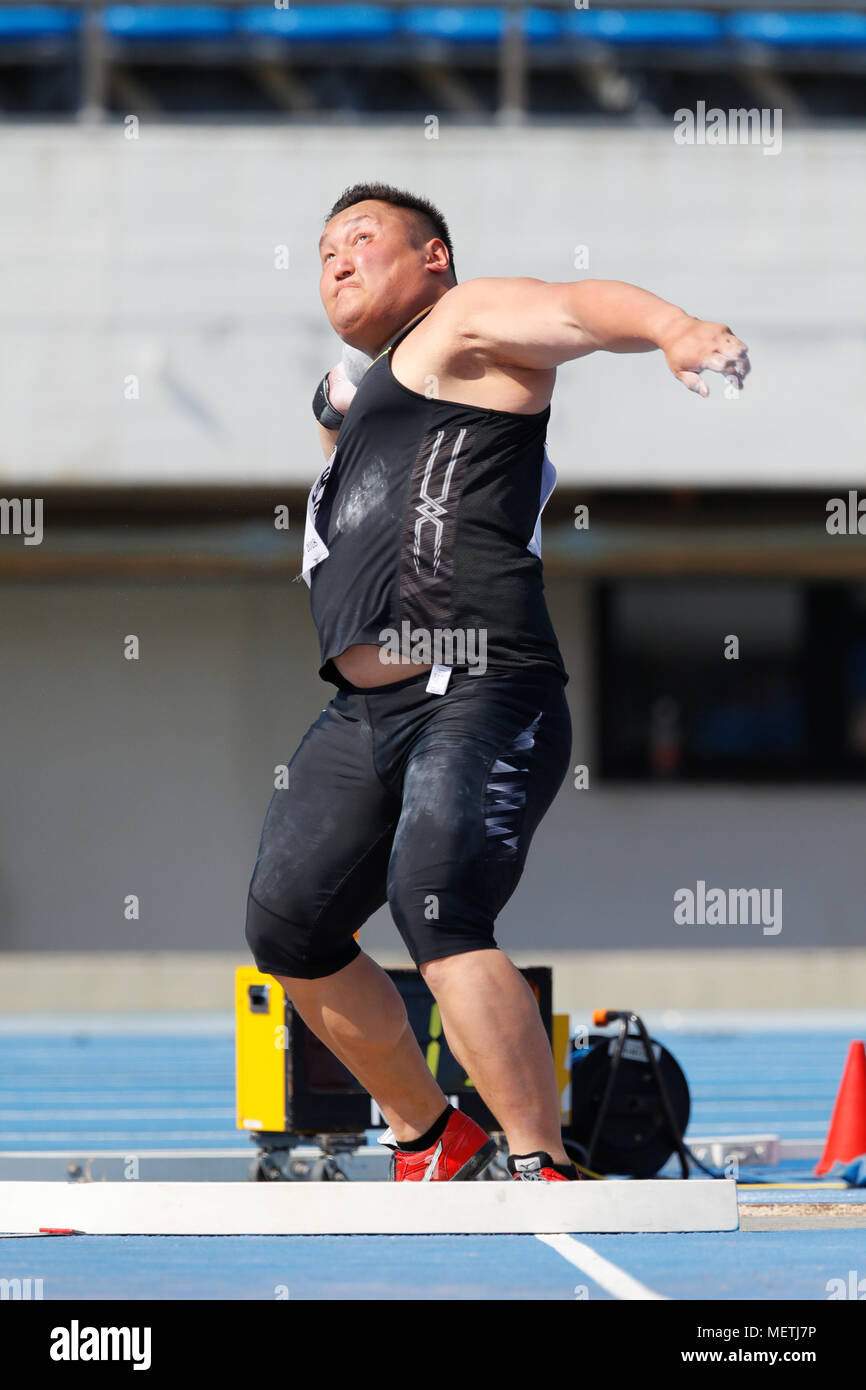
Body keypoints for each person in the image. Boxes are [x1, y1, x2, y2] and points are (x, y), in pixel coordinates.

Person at [245, 182, 749, 1183]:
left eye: (361, 240)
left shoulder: (461, 322)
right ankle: (430, 1136)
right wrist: (335, 407)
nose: (335, 260)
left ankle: (540, 1160)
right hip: (365, 706)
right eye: (322, 250)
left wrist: (672, 329)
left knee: (433, 903)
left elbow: (570, 310)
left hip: (475, 679)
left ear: (431, 257)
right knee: (289, 924)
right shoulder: (384, 388)